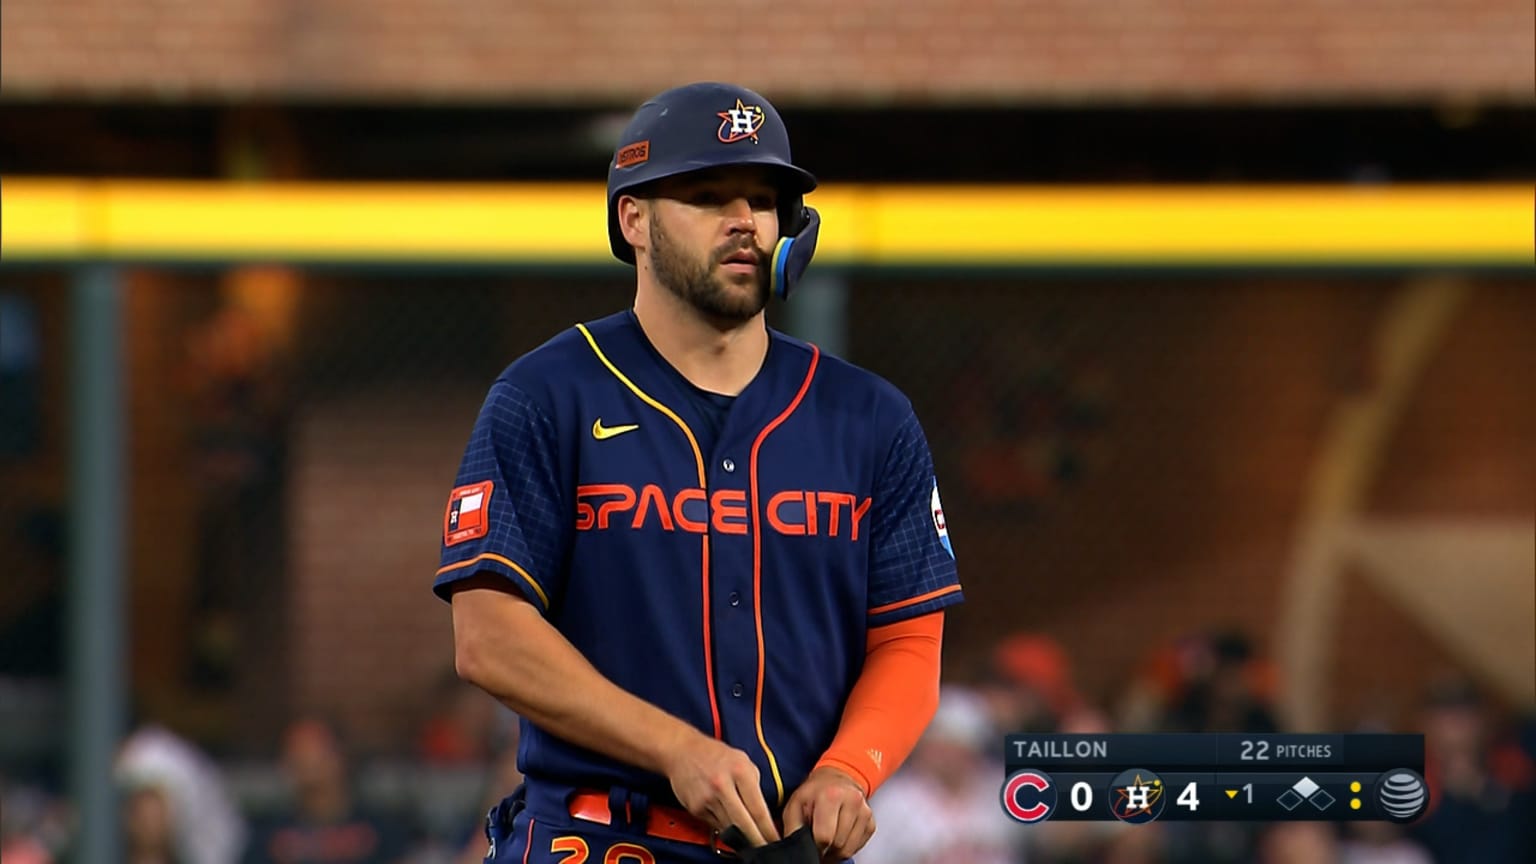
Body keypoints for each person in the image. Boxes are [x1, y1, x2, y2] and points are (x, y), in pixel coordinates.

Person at [434, 81, 963, 864]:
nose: (745, 220)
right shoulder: (548, 394)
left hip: (784, 847)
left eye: (764, 198)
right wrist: (675, 748)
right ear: (634, 219)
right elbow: (488, 638)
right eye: (709, 195)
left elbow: (910, 641)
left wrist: (849, 771)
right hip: (596, 836)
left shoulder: (868, 417)